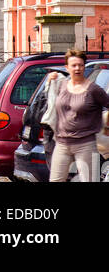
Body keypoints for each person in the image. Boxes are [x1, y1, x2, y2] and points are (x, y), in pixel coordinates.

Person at [46, 49, 109, 181]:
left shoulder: (93, 89)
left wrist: (106, 124)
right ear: (67, 67)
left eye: (80, 65)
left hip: (85, 144)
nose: (77, 68)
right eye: (73, 65)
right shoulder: (61, 85)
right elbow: (50, 100)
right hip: (62, 143)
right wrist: (50, 80)